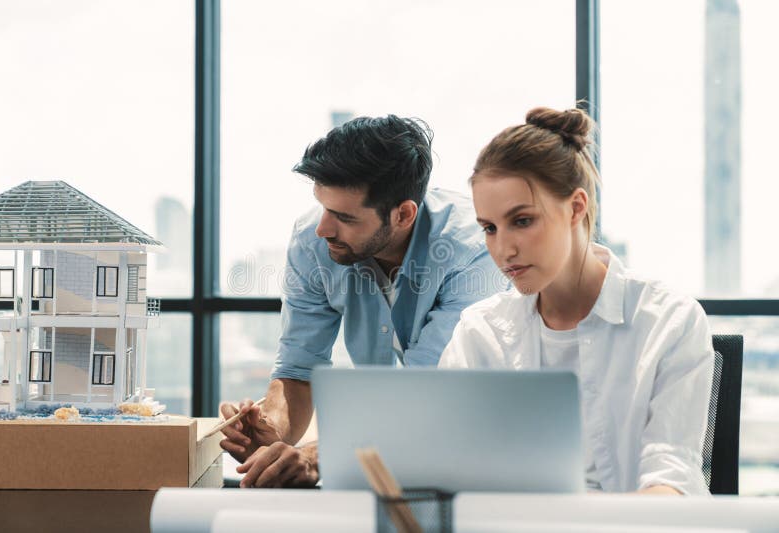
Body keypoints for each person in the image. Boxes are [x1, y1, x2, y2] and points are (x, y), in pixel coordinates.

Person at [438, 107, 714, 495]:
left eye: (522, 220)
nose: (503, 249)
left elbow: (670, 478)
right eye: (489, 228)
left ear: (576, 207)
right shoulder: (479, 333)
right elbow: (448, 465)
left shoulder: (669, 320)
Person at [221, 115, 504, 488]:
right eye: (322, 207)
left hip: (477, 444)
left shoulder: (470, 249)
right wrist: (271, 426)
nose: (323, 228)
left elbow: (430, 395)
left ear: (403, 214)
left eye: (344, 217)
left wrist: (318, 456)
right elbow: (297, 371)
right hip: (392, 447)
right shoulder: (314, 240)